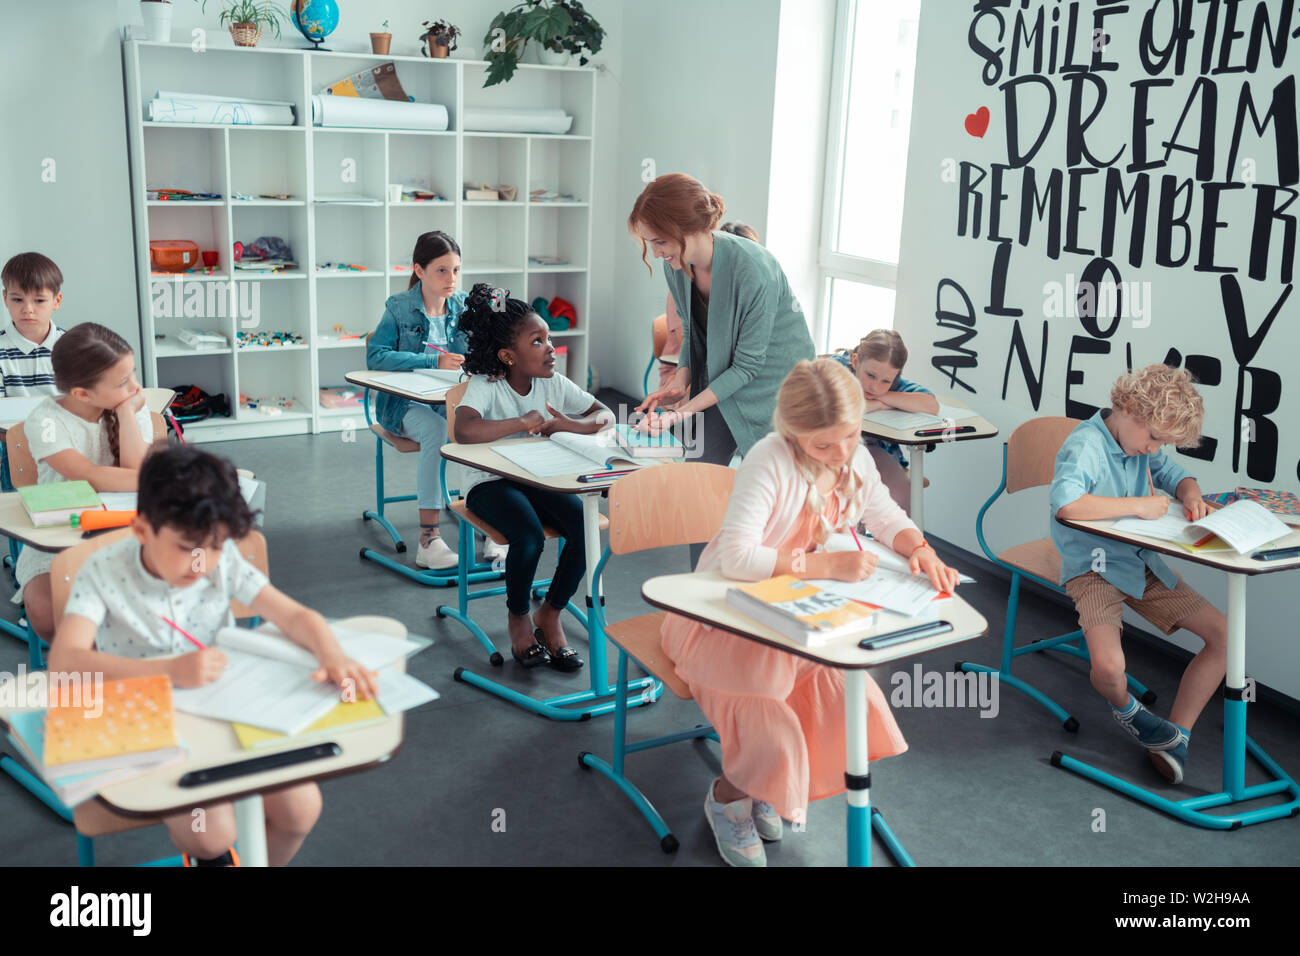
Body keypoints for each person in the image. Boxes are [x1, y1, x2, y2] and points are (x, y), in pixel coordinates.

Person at [660, 358, 961, 866]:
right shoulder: (769, 460)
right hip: (723, 612)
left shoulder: (852, 455)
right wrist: (825, 565)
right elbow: (736, 559)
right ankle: (729, 798)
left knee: (847, 694)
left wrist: (920, 548)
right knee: (770, 715)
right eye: (824, 445)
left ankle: (763, 789)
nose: (842, 454)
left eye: (850, 437)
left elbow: (884, 513)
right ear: (792, 432)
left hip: (800, 609)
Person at [47, 446, 377, 866]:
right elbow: (66, 661)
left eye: (217, 546)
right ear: (142, 529)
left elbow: (294, 616)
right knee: (210, 836)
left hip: (227, 712)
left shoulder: (218, 558)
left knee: (301, 811)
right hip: (148, 724)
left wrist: (333, 655)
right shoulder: (103, 571)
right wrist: (167, 671)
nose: (202, 563)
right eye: (187, 548)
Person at [1052, 364, 1228, 784]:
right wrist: (1136, 505)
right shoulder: (1087, 445)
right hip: (1093, 569)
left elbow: (1174, 474)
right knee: (1111, 670)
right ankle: (1136, 718)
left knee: (1226, 636)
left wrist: (1190, 494)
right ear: (1128, 408)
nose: (1153, 450)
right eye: (1153, 438)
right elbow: (1067, 505)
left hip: (1140, 562)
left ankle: (1174, 737)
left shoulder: (1140, 442)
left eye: (1162, 442)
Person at [629, 175, 815, 565]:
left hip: (777, 390)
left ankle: (767, 596)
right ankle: (702, 593)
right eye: (651, 243)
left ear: (688, 229)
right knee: (699, 488)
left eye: (661, 241)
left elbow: (748, 366)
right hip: (722, 381)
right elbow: (695, 336)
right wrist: (681, 380)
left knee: (770, 498)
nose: (658, 252)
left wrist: (681, 412)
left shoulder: (753, 267)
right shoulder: (676, 266)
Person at [454, 283, 614, 671]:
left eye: (548, 339)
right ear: (508, 356)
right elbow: (464, 431)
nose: (550, 348)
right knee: (527, 537)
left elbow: (604, 414)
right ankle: (519, 617)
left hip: (539, 477)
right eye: (538, 341)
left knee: (584, 527)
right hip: (488, 482)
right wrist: (521, 422)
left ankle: (551, 613)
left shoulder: (552, 382)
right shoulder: (485, 385)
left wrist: (568, 425)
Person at [367, 231, 505, 570]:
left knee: (481, 428)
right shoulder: (398, 308)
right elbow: (376, 357)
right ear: (419, 270)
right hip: (404, 407)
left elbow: (480, 350)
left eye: (456, 270)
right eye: (442, 270)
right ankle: (428, 539)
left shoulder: (462, 309)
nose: (451, 279)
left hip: (451, 401)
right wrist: (432, 361)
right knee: (437, 429)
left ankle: (491, 527)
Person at [16, 323, 152, 641]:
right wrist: (149, 480)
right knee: (48, 614)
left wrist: (128, 415)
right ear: (82, 394)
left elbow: (138, 466)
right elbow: (89, 476)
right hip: (57, 536)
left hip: (123, 530)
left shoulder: (129, 407)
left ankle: (113, 661)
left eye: (133, 373)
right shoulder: (46, 420)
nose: (136, 388)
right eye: (123, 381)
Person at [833, 329, 939, 514]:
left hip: (872, 449)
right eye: (871, 376)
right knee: (848, 495)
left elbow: (930, 405)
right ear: (856, 361)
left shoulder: (891, 384)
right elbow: (838, 407)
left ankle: (887, 540)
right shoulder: (834, 369)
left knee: (902, 498)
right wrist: (880, 404)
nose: (875, 387)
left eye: (885, 381)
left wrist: (883, 399)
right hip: (830, 449)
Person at [655, 222, 761, 394]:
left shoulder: (750, 292)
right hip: (682, 373)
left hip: (724, 372)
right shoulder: (685, 288)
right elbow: (693, 347)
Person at [0, 252, 66, 396]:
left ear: (57, 301)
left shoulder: (74, 348)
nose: (28, 310)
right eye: (17, 300)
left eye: (39, 300)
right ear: (5, 299)